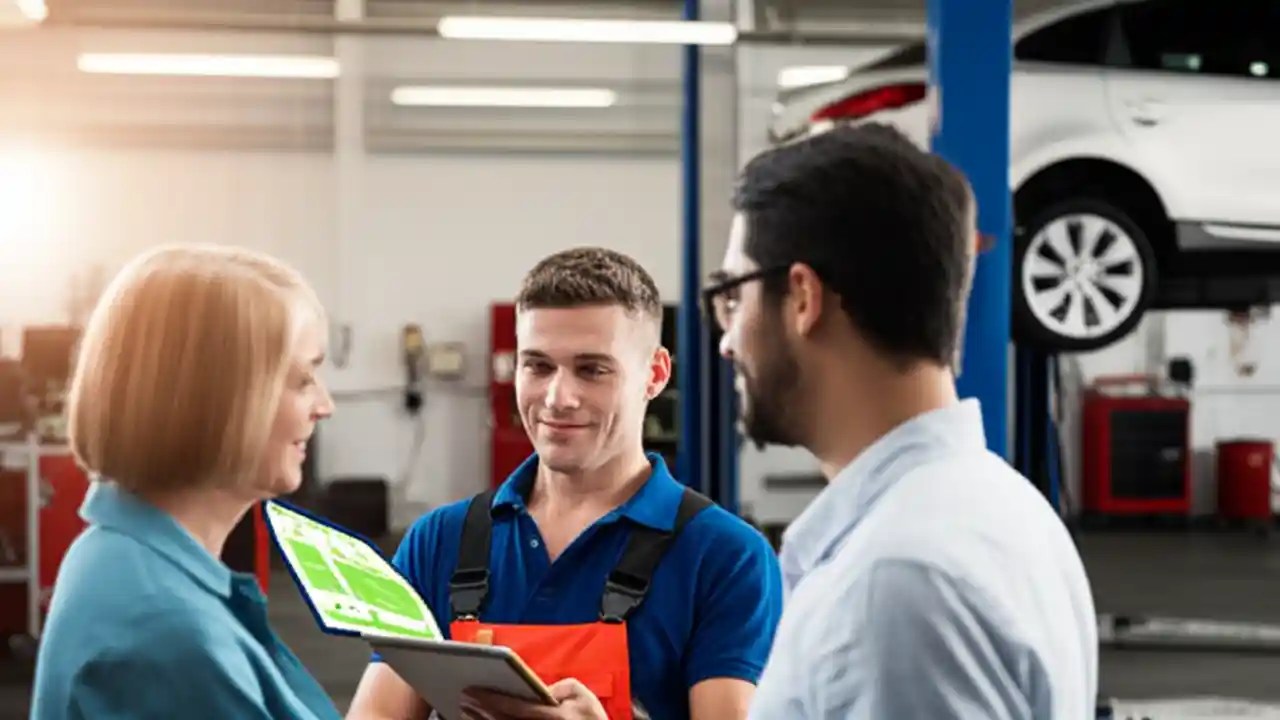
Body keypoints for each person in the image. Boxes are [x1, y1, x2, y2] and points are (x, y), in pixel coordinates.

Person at [707, 123, 1098, 719]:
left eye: (733, 295)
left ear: (803, 298)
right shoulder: (1008, 509)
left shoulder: (893, 583)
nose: (726, 341)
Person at [348, 247, 783, 720]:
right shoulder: (438, 542)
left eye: (592, 369)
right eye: (537, 366)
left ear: (654, 375)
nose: (558, 398)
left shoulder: (725, 557)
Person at [31, 244, 340, 719]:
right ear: (220, 401)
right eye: (302, 380)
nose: (324, 406)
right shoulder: (171, 636)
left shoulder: (121, 556)